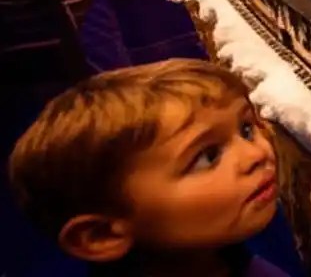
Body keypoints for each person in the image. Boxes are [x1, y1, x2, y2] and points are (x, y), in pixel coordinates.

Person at [8, 59, 287, 277]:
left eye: (246, 129)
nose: (255, 153)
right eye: (207, 157)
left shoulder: (216, 258)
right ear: (101, 235)